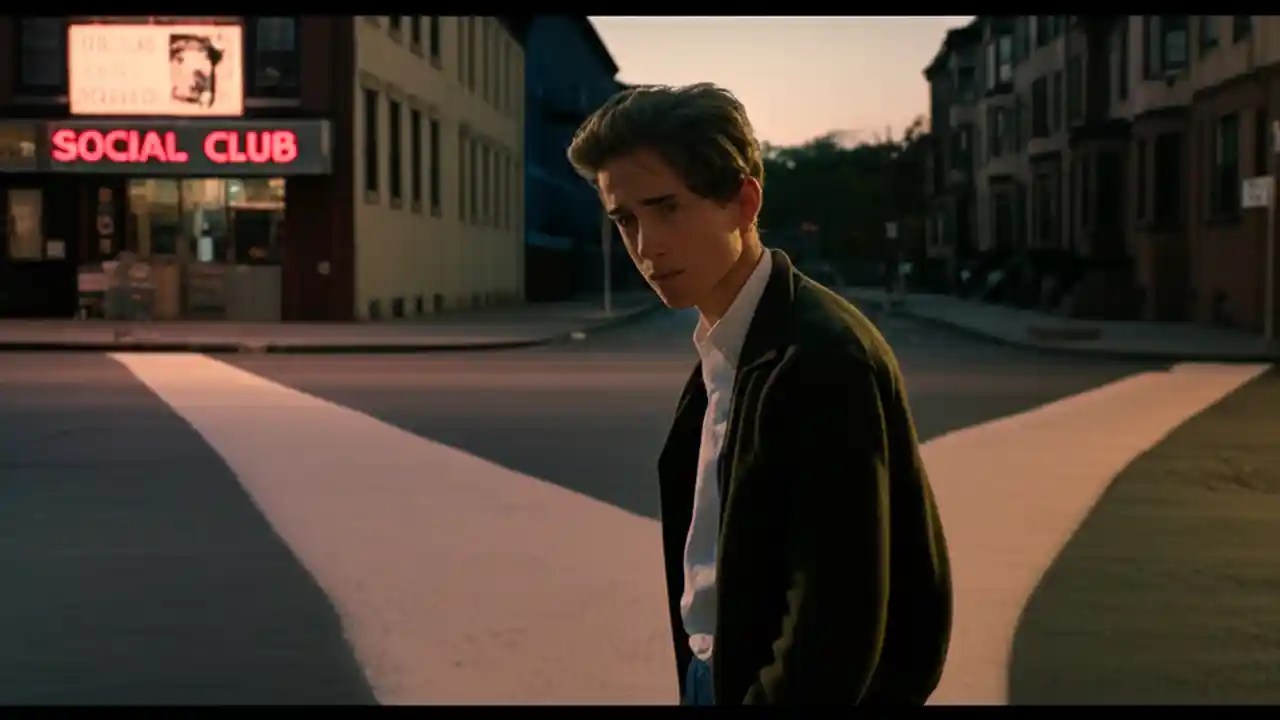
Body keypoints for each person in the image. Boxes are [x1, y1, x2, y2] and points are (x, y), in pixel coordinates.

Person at [567, 83, 952, 706]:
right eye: (626, 219)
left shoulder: (821, 357)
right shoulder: (732, 341)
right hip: (714, 672)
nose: (645, 246)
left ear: (744, 202)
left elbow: (836, 627)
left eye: (668, 209)